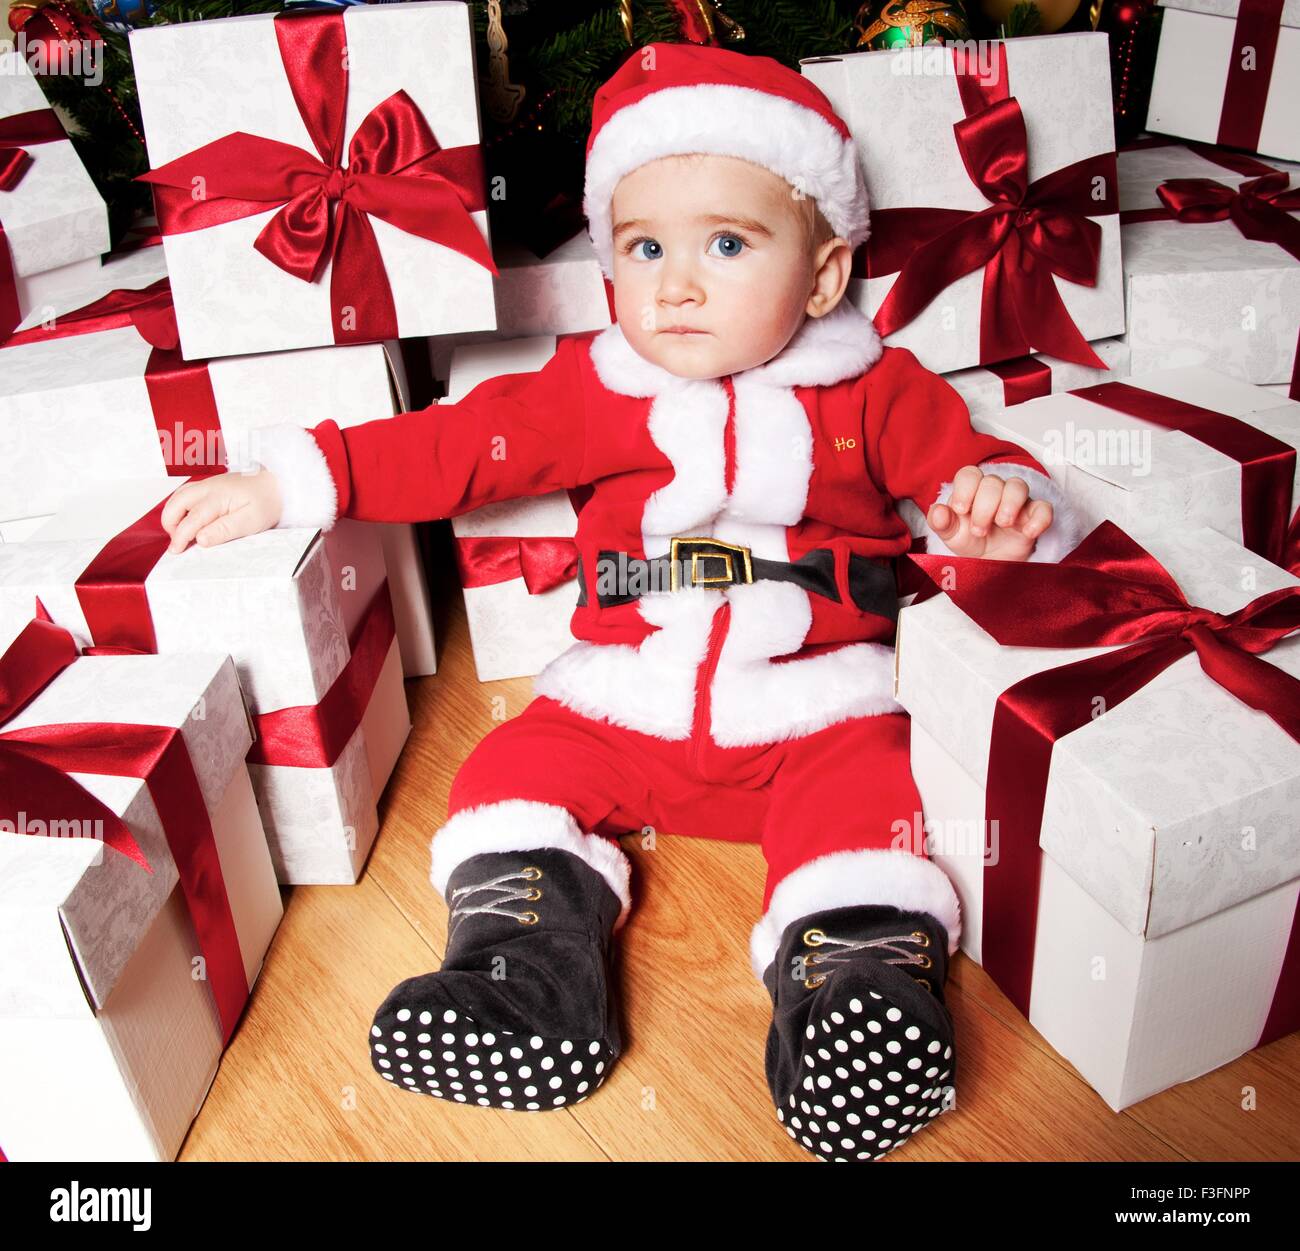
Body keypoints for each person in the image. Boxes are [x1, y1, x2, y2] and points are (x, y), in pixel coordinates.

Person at [160, 42, 1082, 1162]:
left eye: (728, 245)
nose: (675, 285)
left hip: (817, 712)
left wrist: (991, 500)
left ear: (826, 276)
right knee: (505, 776)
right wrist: (293, 479)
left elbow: (961, 469)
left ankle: (851, 990)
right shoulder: (599, 389)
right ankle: (523, 972)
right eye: (643, 249)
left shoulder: (875, 392)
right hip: (624, 704)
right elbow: (455, 447)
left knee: (874, 810)